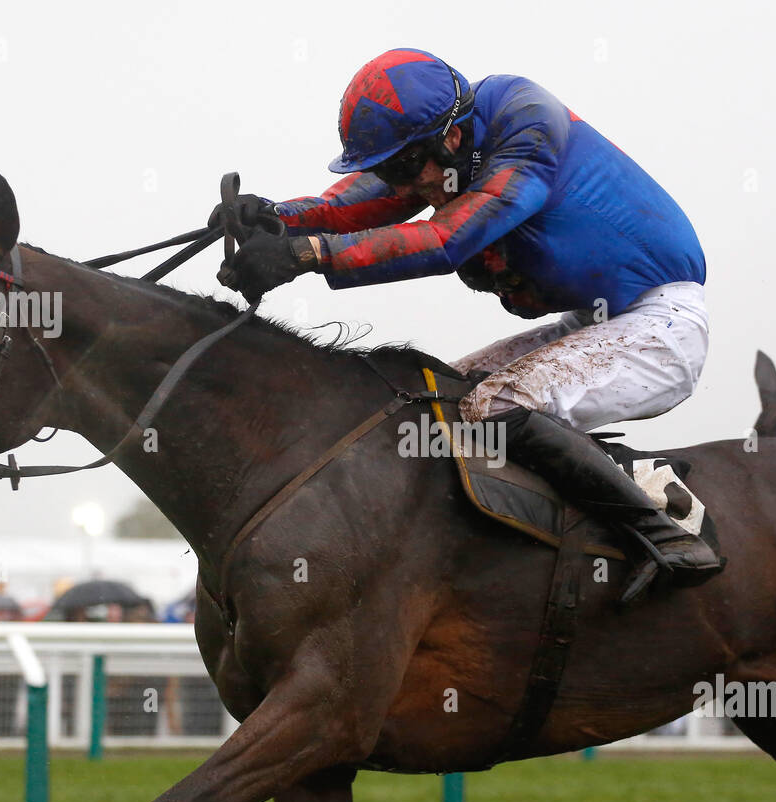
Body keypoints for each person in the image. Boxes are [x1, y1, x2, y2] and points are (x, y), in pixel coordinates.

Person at [213, 48, 723, 601]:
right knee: (431, 400)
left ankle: (666, 530)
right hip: (593, 322)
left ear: (451, 137)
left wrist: (307, 254)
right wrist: (279, 216)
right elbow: (366, 201)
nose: (402, 187)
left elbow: (447, 238)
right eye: (387, 168)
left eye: (404, 168)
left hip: (661, 322)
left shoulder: (526, 125)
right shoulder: (443, 139)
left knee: (495, 407)